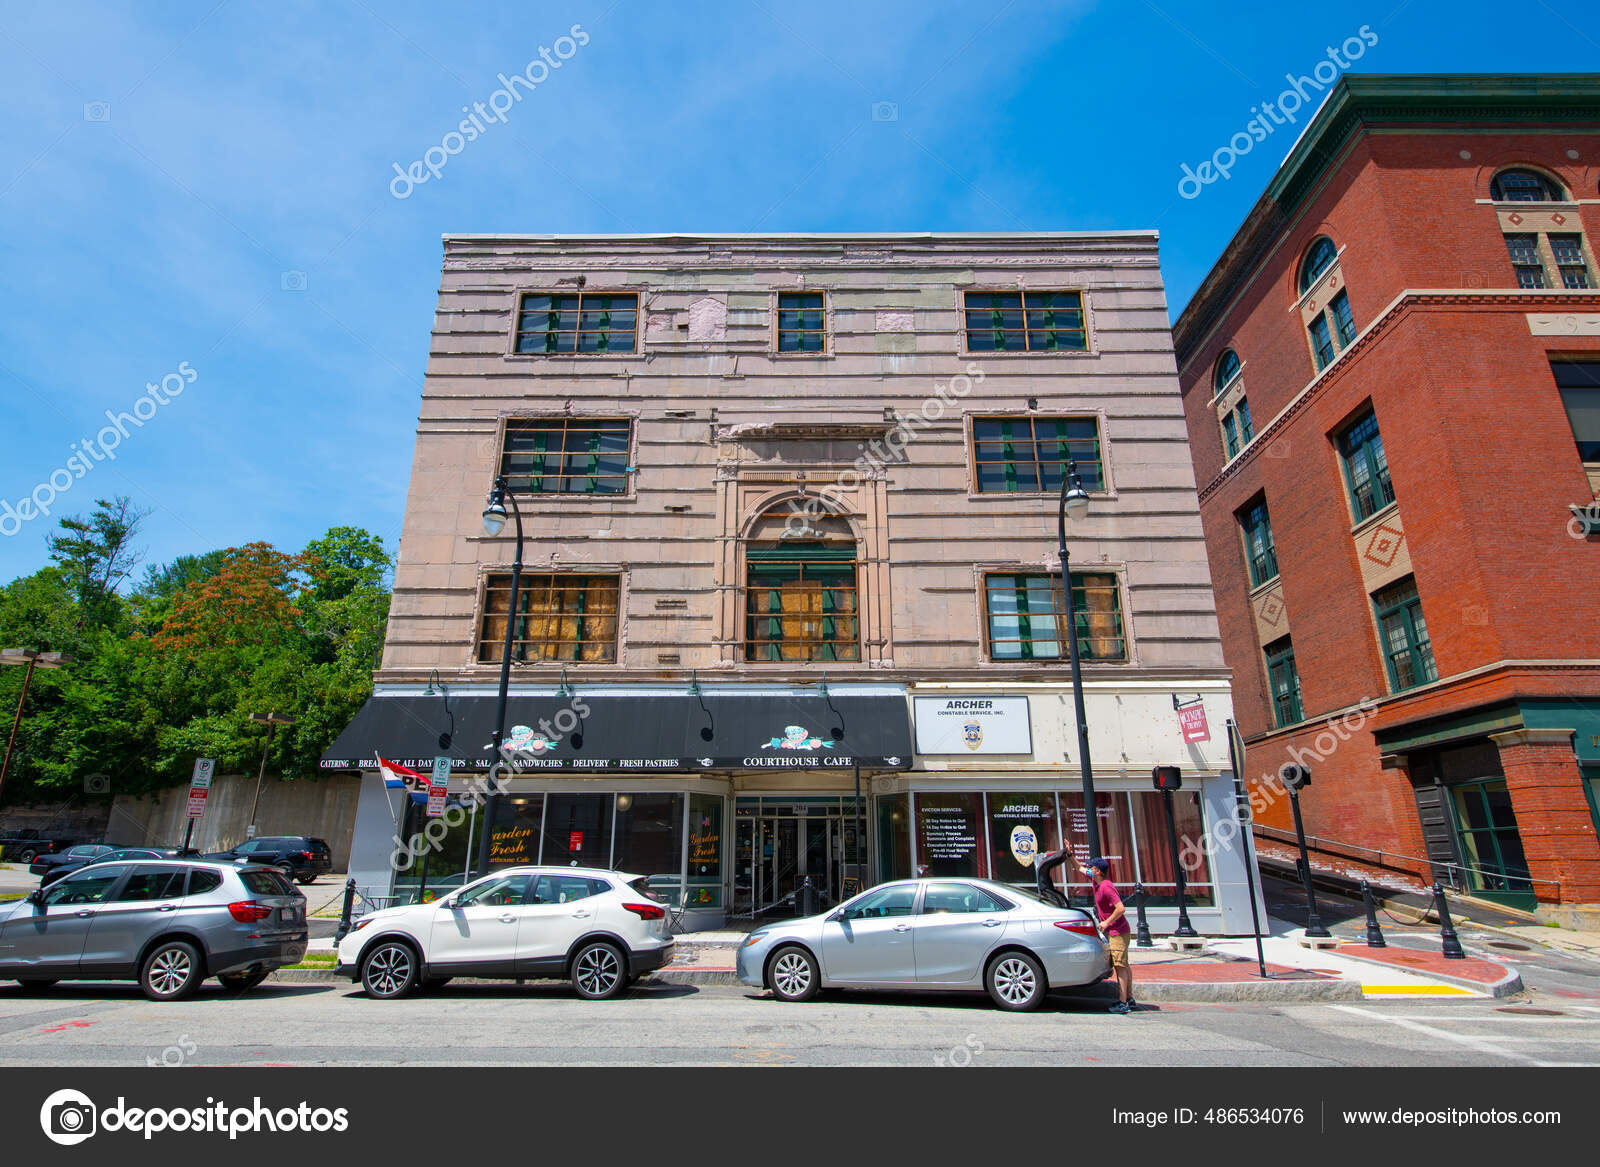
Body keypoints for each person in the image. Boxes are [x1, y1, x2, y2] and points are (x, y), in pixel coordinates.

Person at [1074, 853, 1135, 1014]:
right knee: (1124, 964)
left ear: (1098, 871)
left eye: (1091, 867)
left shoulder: (1106, 886)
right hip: (1116, 931)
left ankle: (1123, 1002)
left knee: (1120, 966)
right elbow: (1080, 868)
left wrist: (1106, 922)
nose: (1089, 869)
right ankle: (1129, 998)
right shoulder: (1096, 881)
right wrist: (1069, 854)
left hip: (1118, 932)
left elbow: (1121, 908)